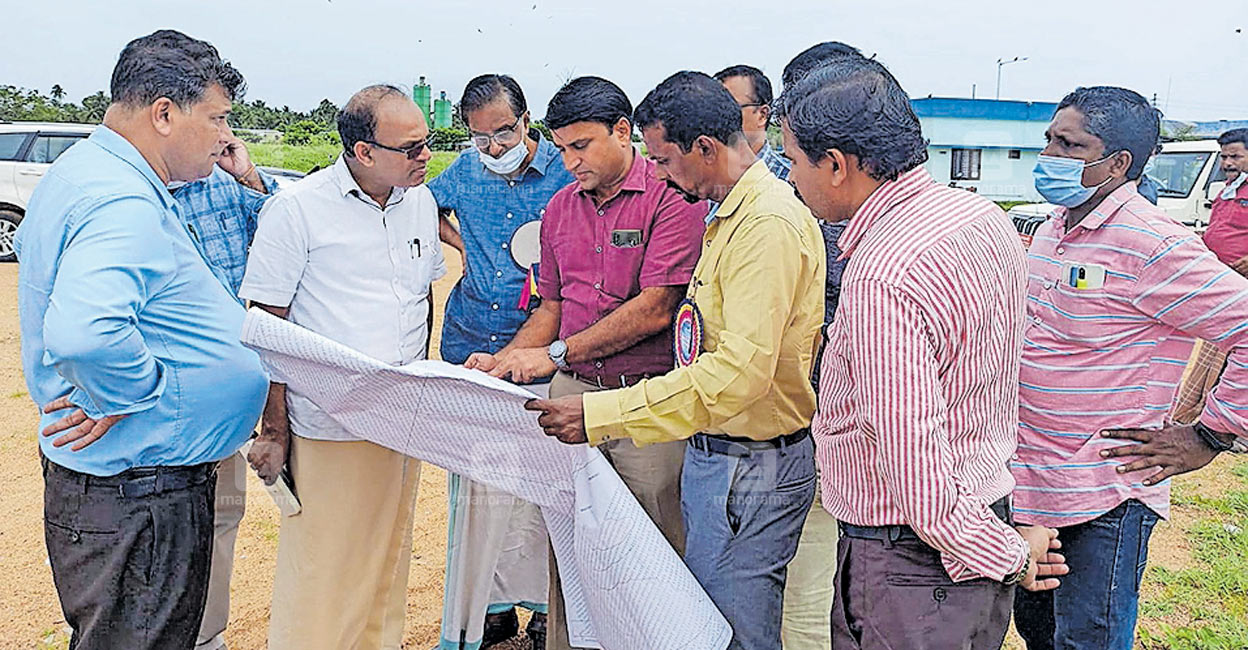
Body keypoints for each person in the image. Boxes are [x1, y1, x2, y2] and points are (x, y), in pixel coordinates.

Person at [526, 71, 825, 650]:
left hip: (750, 463)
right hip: (727, 457)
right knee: (696, 615)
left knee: (727, 630)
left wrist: (600, 415)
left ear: (705, 149)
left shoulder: (764, 226)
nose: (658, 174)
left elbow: (735, 375)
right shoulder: (732, 217)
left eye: (663, 160)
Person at [780, 57, 1067, 650]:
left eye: (793, 161)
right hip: (975, 514)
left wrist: (1010, 555)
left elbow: (919, 482)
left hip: (916, 560)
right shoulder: (981, 217)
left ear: (836, 166)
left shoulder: (884, 274)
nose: (790, 179)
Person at [15, 30, 269, 649]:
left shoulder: (84, 171)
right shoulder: (122, 199)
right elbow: (87, 334)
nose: (222, 135)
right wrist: (133, 392)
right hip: (141, 495)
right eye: (217, 118)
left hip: (129, 489)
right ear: (163, 114)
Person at [466, 75, 706, 650]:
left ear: (624, 132)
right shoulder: (558, 211)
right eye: (562, 147)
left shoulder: (673, 199)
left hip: (644, 404)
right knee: (574, 554)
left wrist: (550, 355)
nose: (569, 161)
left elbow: (655, 308)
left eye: (582, 146)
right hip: (571, 398)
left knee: (650, 553)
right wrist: (504, 363)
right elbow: (552, 304)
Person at [1013, 86, 1248, 650]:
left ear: (1117, 164)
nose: (1050, 155)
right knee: (1038, 631)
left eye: (1069, 145)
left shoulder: (1153, 244)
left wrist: (1212, 434)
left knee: (1088, 639)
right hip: (1035, 482)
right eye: (1049, 139)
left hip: (1106, 490)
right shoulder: (1053, 227)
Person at [239, 84, 446, 650]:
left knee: (387, 557)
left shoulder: (420, 203)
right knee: (325, 570)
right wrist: (274, 430)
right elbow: (267, 329)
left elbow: (419, 301)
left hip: (401, 419)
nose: (425, 155)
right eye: (411, 148)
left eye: (428, 142)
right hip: (331, 423)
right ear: (363, 152)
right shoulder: (298, 210)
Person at [429, 73, 573, 650]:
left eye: (504, 132)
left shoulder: (565, 174)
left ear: (526, 119)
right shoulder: (464, 172)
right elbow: (421, 204)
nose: (492, 147)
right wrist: (461, 245)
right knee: (475, 481)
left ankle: (543, 605)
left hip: (541, 351)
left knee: (542, 482)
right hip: (470, 341)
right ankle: (485, 605)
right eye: (479, 136)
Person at [170, 127, 279, 650]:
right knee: (168, 523)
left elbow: (282, 232)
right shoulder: (139, 194)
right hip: (174, 389)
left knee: (222, 513)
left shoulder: (224, 183)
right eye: (211, 118)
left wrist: (250, 176)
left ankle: (207, 636)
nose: (219, 133)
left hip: (234, 379)